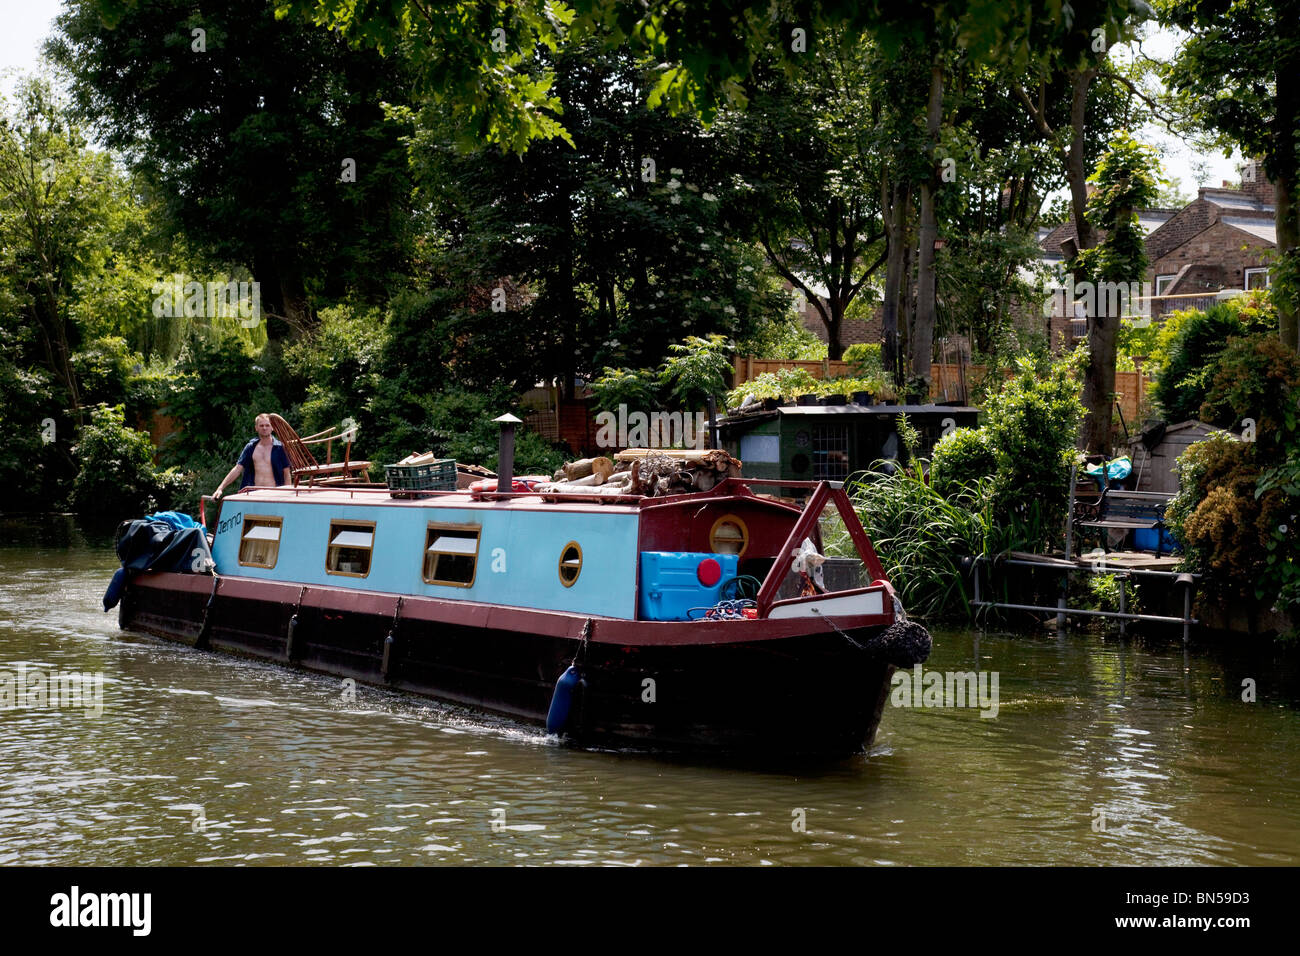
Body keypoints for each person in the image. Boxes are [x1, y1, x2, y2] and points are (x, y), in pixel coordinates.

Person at [213, 414, 292, 498]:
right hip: (254, 494)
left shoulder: (280, 448)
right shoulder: (251, 447)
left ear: (272, 427)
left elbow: (286, 473)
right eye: (261, 425)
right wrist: (220, 488)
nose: (264, 428)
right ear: (256, 428)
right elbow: (237, 469)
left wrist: (287, 495)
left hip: (274, 494)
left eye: (267, 425)